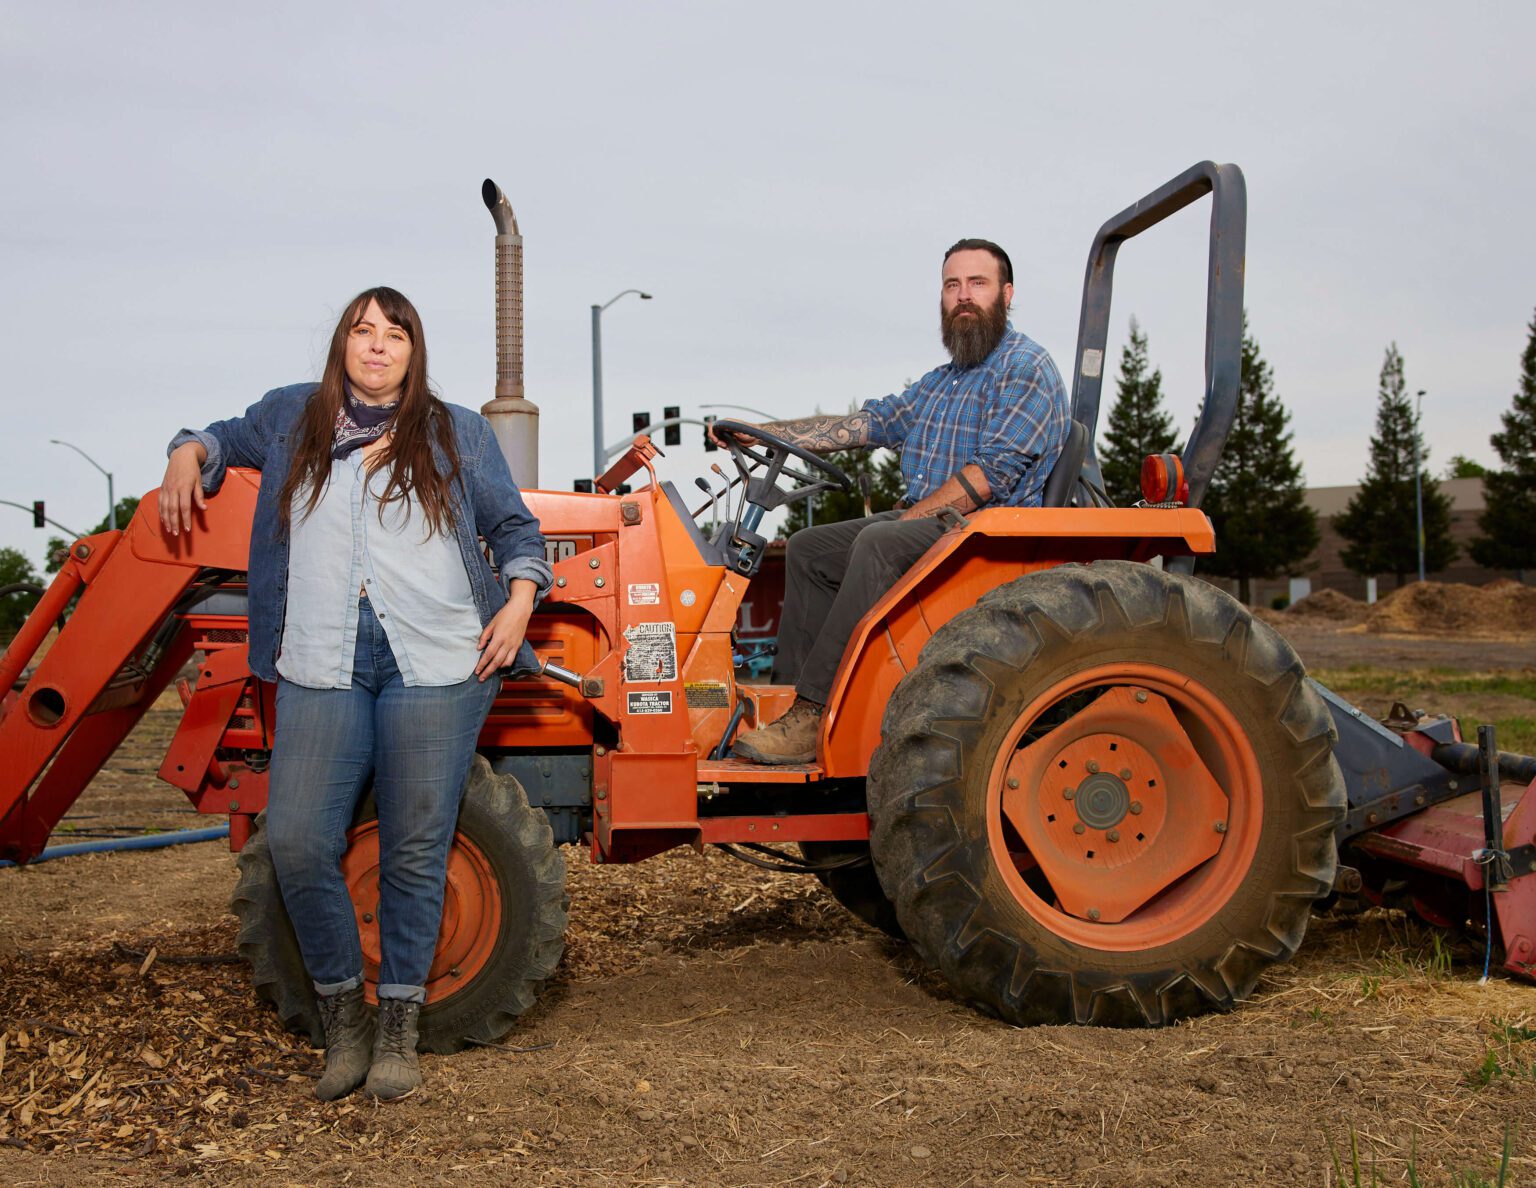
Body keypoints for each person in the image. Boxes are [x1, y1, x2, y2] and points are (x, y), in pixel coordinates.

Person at [158, 286, 552, 1102]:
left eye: (395, 333)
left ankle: (399, 1028)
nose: (378, 345)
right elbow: (221, 437)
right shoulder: (292, 416)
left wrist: (518, 601)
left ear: (415, 350)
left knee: (414, 846)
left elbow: (515, 528)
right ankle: (345, 1018)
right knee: (298, 841)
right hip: (320, 657)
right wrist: (185, 454)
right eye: (363, 331)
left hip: (436, 656)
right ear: (343, 343)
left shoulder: (455, 431)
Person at [728, 239, 1069, 764]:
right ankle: (791, 701)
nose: (963, 297)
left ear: (1007, 293)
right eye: (952, 285)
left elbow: (991, 475)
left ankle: (817, 713)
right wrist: (764, 432)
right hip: (938, 523)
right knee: (810, 547)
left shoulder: (1026, 367)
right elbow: (870, 424)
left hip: (985, 533)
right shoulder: (942, 383)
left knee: (879, 541)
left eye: (977, 283)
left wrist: (910, 518)